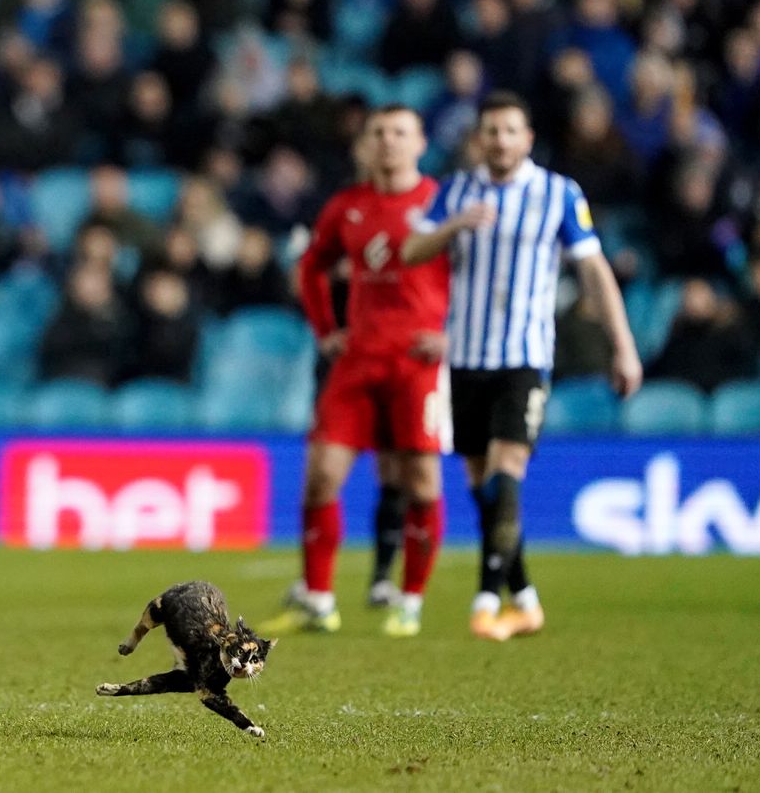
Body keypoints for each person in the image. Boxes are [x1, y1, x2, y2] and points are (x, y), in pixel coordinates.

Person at [402, 91, 641, 642]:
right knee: (484, 484)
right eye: (491, 130)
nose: (500, 140)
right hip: (464, 358)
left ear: (527, 138)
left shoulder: (559, 193)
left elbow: (594, 272)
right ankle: (526, 600)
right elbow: (413, 251)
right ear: (479, 139)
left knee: (507, 469)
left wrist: (622, 346)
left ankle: (486, 603)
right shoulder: (456, 192)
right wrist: (453, 226)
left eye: (511, 130)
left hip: (526, 356)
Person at [262, 106, 450, 639]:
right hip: (358, 359)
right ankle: (318, 599)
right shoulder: (347, 207)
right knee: (321, 475)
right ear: (367, 144)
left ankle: (410, 600)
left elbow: (484, 273)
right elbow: (310, 266)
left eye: (400, 133)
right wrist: (326, 329)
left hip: (418, 362)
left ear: (420, 143)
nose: (389, 142)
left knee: (421, 480)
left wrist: (456, 331)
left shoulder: (441, 203)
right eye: (379, 133)